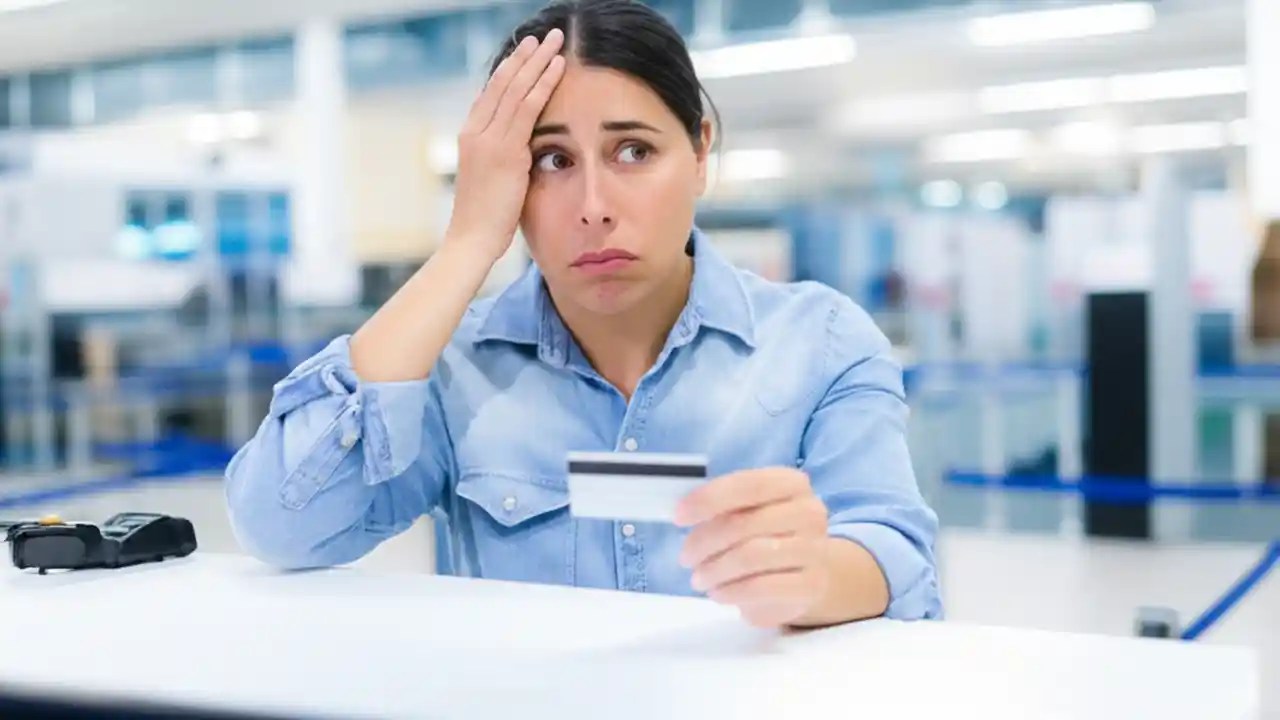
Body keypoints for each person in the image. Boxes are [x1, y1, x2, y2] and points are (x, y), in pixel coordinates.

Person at [225, 0, 941, 629]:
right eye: (552, 161)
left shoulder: (820, 343)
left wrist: (818, 577)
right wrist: (466, 243)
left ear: (699, 153)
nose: (594, 205)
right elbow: (279, 526)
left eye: (633, 151)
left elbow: (897, 553)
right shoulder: (452, 368)